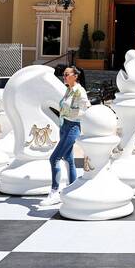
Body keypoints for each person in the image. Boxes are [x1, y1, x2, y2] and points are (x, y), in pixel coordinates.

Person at [40, 66, 90, 208]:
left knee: (54, 158)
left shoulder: (79, 91)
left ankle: (54, 192)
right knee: (68, 159)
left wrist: (75, 115)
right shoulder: (68, 90)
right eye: (64, 74)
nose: (64, 76)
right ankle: (72, 189)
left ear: (75, 76)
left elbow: (87, 109)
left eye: (67, 74)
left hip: (73, 127)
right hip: (64, 126)